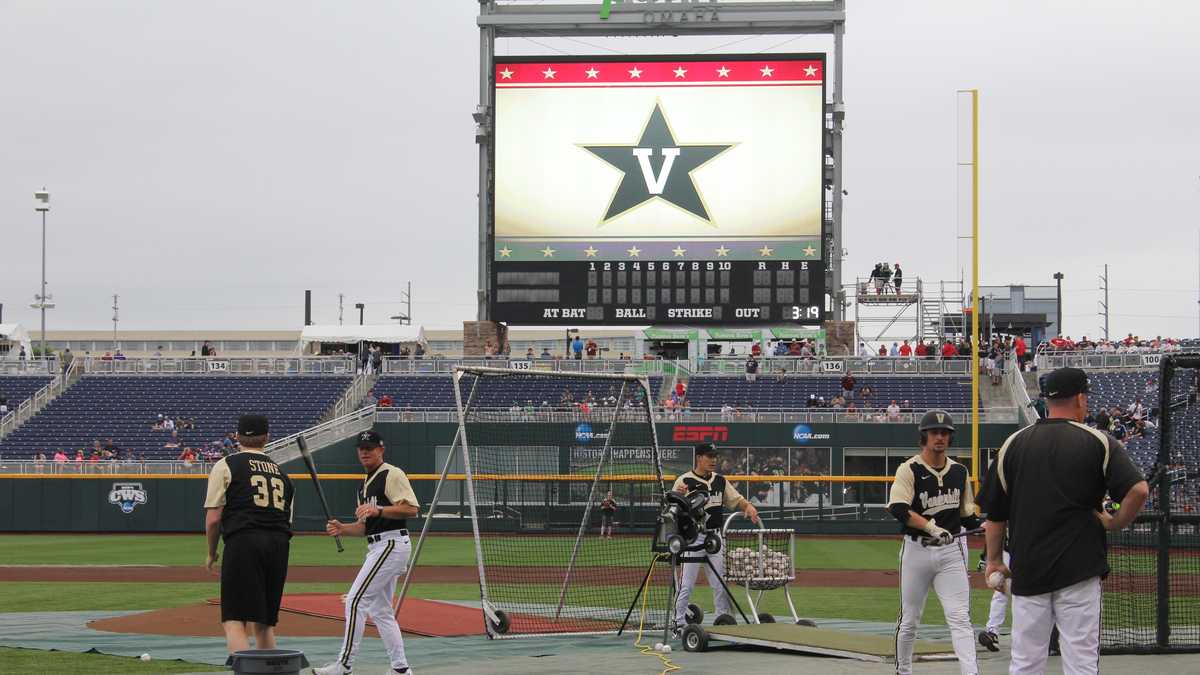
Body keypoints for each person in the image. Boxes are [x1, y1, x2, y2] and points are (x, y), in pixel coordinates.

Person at [980, 367, 1149, 675]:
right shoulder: (1099, 441)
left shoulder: (1013, 444)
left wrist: (993, 560)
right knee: (1081, 662)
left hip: (1029, 568)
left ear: (1046, 400)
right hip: (1080, 569)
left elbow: (995, 515)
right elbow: (1139, 489)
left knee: (1025, 663)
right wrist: (1115, 523)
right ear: (1081, 399)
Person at [313, 431, 419, 675]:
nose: (365, 451)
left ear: (381, 449)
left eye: (370, 447)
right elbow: (364, 527)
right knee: (382, 611)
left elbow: (411, 509)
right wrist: (343, 528)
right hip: (378, 545)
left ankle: (345, 665)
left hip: (391, 544)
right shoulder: (363, 486)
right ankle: (401, 669)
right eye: (361, 447)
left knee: (355, 601)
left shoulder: (391, 473)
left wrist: (378, 510)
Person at [888, 410, 980, 675]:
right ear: (924, 437)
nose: (940, 437)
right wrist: (931, 527)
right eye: (934, 432)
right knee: (910, 620)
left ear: (950, 438)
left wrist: (986, 525)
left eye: (945, 433)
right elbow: (898, 508)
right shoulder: (909, 469)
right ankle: (903, 671)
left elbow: (967, 516)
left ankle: (971, 673)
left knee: (960, 617)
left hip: (950, 554)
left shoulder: (960, 472)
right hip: (917, 550)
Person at [203, 414, 295, 655]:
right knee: (264, 623)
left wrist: (212, 553)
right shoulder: (282, 474)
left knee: (234, 620)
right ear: (267, 437)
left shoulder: (226, 464)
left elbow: (213, 519)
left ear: (237, 436)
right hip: (279, 544)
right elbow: (287, 520)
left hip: (244, 541)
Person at [672, 445, 759, 626]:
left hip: (715, 538)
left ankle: (722, 621)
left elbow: (736, 499)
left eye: (715, 456)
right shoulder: (684, 481)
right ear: (699, 457)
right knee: (686, 585)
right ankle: (678, 623)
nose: (713, 460)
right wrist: (678, 496)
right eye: (709, 456)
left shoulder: (720, 480)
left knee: (720, 584)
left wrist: (748, 506)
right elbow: (673, 512)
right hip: (693, 537)